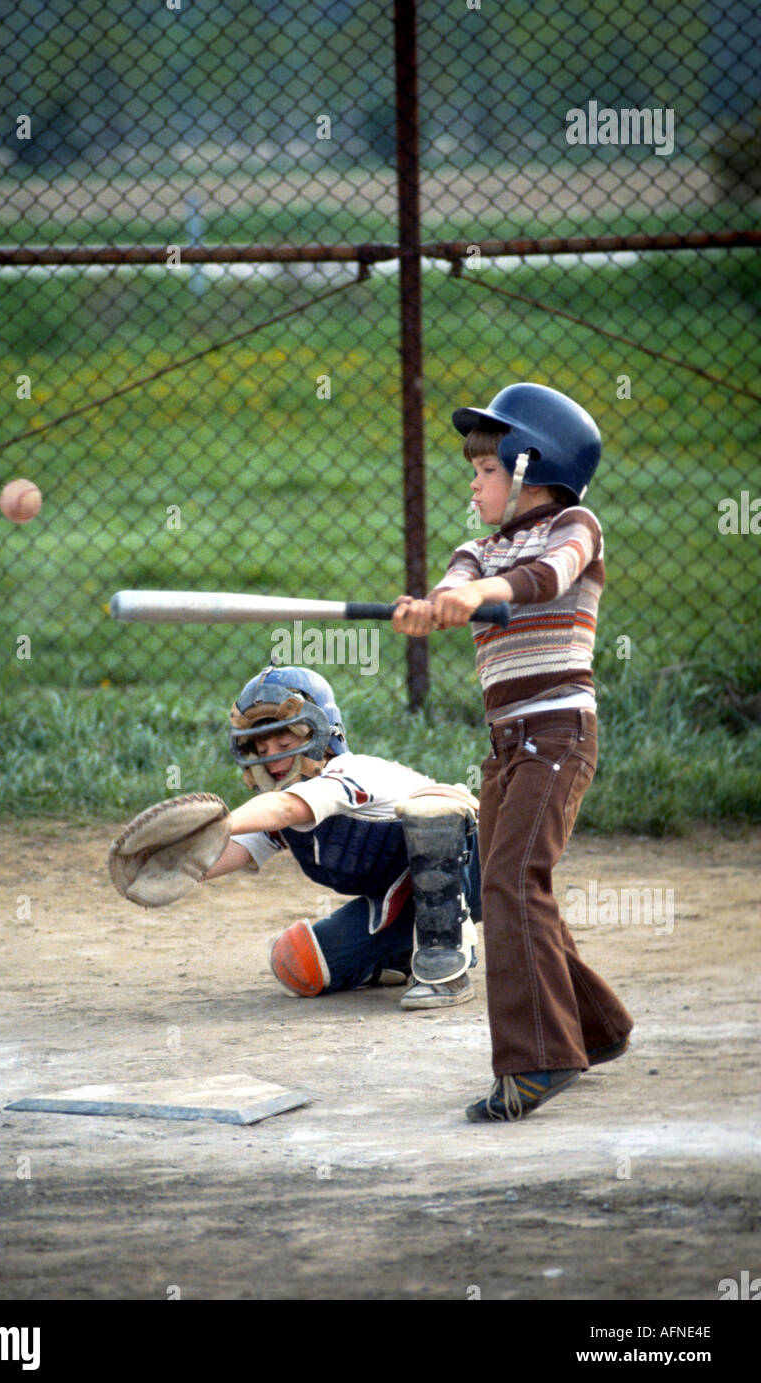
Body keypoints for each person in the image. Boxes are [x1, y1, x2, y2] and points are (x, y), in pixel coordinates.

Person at [392, 382, 634, 1121]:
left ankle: (537, 1061)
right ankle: (594, 1027)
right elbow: (459, 582)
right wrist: (433, 606)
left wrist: (483, 591)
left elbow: (545, 578)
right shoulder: (478, 550)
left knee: (508, 882)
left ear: (532, 467)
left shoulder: (576, 528)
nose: (474, 481)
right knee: (513, 885)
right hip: (507, 749)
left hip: (559, 736)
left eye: (488, 469)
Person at [203, 664, 482, 1011]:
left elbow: (284, 810)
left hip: (478, 864)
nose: (272, 756)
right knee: (298, 963)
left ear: (322, 733)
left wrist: (219, 823)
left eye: (284, 741)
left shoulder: (347, 772)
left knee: (431, 813)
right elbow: (225, 852)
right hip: (406, 893)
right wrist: (172, 864)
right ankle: (401, 953)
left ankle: (445, 964)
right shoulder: (282, 800)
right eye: (261, 750)